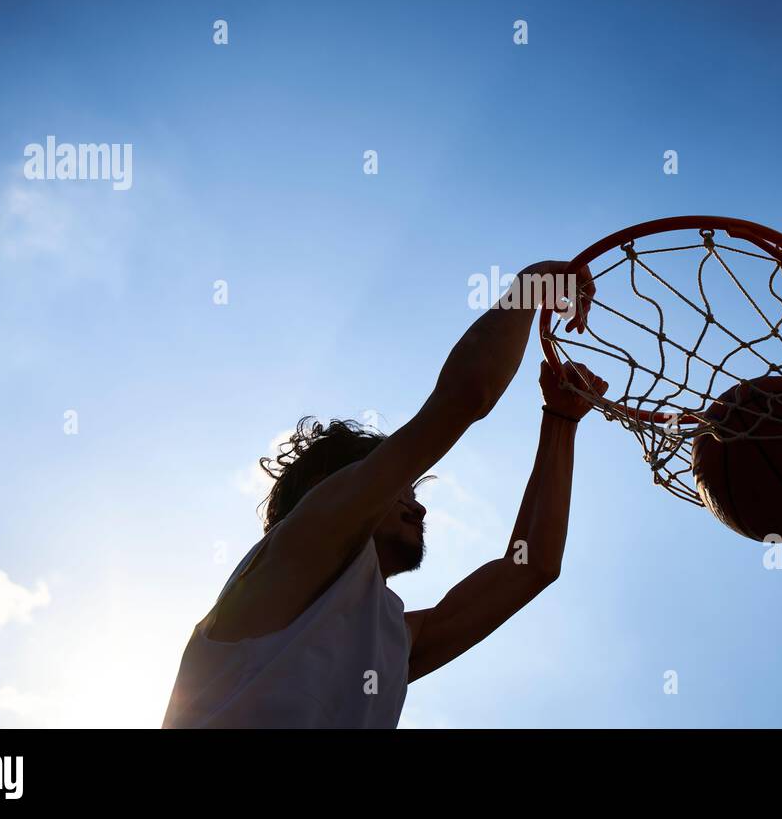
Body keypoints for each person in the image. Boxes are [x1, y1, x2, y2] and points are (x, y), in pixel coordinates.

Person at [163, 261, 606, 727]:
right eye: (401, 488)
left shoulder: (394, 637)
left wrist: (561, 420)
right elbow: (468, 394)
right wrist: (530, 288)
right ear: (324, 487)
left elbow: (531, 568)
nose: (418, 505)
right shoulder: (298, 546)